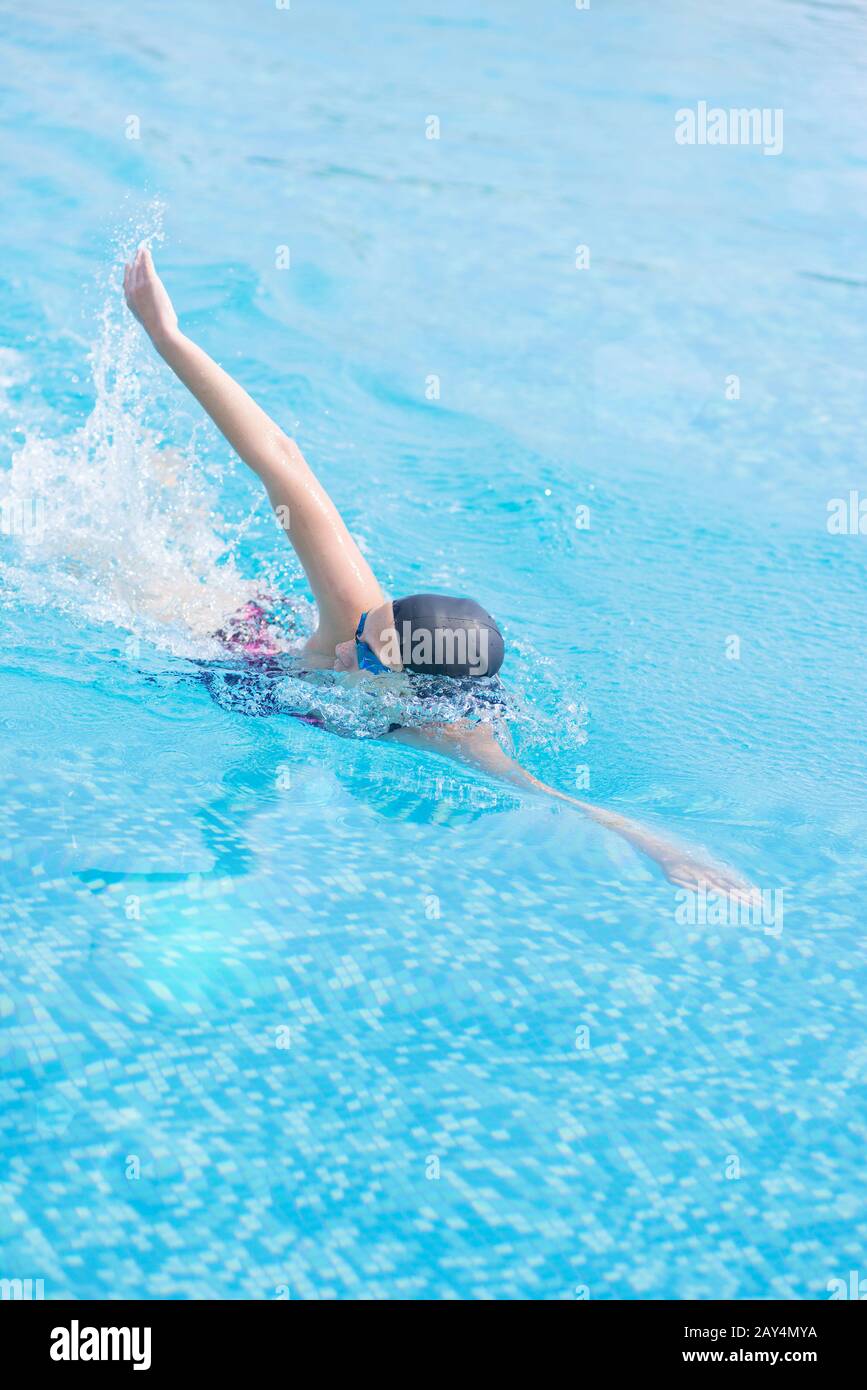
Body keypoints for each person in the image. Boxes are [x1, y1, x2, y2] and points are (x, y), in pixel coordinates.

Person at [124, 246, 752, 898]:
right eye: (366, 626)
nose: (345, 643)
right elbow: (284, 461)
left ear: (412, 681)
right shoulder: (356, 615)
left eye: (366, 653)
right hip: (241, 644)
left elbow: (557, 798)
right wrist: (167, 335)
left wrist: (665, 851)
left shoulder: (445, 734)